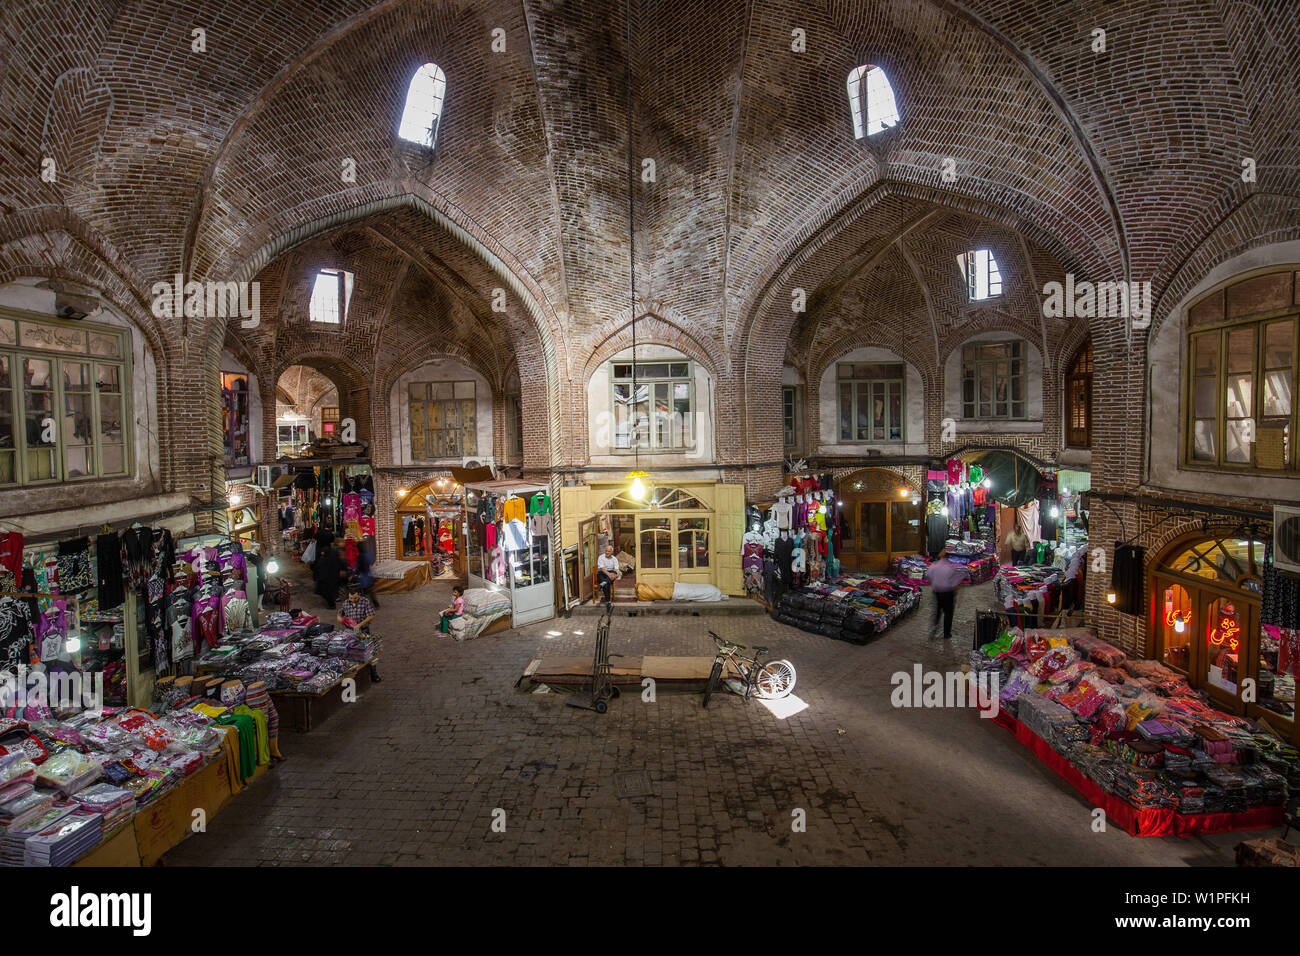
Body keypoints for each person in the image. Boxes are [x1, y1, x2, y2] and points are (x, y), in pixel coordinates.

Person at [337, 578, 382, 682]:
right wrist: (340, 618)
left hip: (363, 631)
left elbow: (371, 616)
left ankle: (374, 674)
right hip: (350, 632)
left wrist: (360, 625)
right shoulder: (346, 603)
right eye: (351, 598)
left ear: (359, 595)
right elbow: (340, 613)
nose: (353, 600)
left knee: (369, 653)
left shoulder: (365, 602)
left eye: (355, 598)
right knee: (351, 653)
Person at [925, 548, 971, 641]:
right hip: (947, 593)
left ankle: (934, 629)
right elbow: (954, 582)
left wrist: (934, 584)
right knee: (948, 613)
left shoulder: (934, 566)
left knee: (937, 611)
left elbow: (928, 576)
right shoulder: (950, 567)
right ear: (948, 557)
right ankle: (946, 633)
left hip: (937, 592)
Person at [312, 531, 344, 608]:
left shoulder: (322, 550)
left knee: (326, 589)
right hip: (332, 574)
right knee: (331, 587)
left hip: (325, 575)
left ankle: (332, 603)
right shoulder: (332, 551)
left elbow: (318, 564)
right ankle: (334, 598)